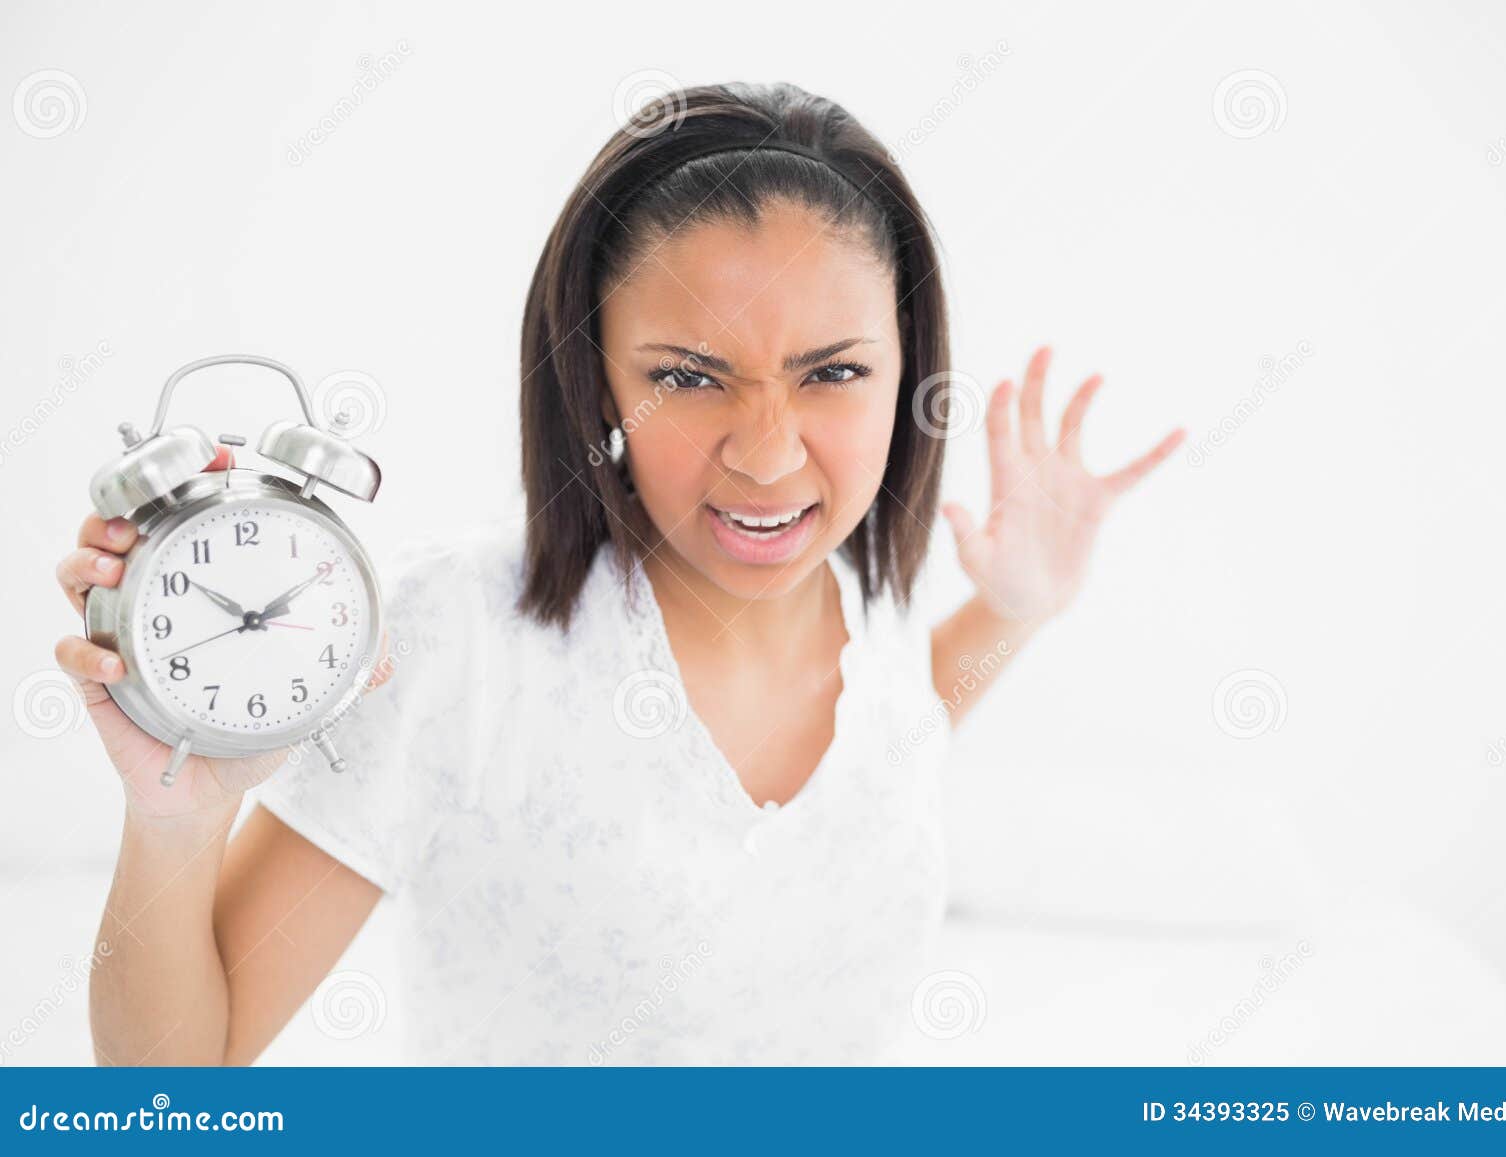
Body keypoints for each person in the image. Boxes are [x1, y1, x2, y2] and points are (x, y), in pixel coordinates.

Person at [53, 81, 1182, 1065]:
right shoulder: (451, 641)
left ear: (907, 370)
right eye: (690, 377)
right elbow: (171, 1085)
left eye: (833, 371)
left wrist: (1014, 611)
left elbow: (887, 740)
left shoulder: (864, 597)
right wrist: (173, 820)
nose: (770, 451)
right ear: (597, 383)